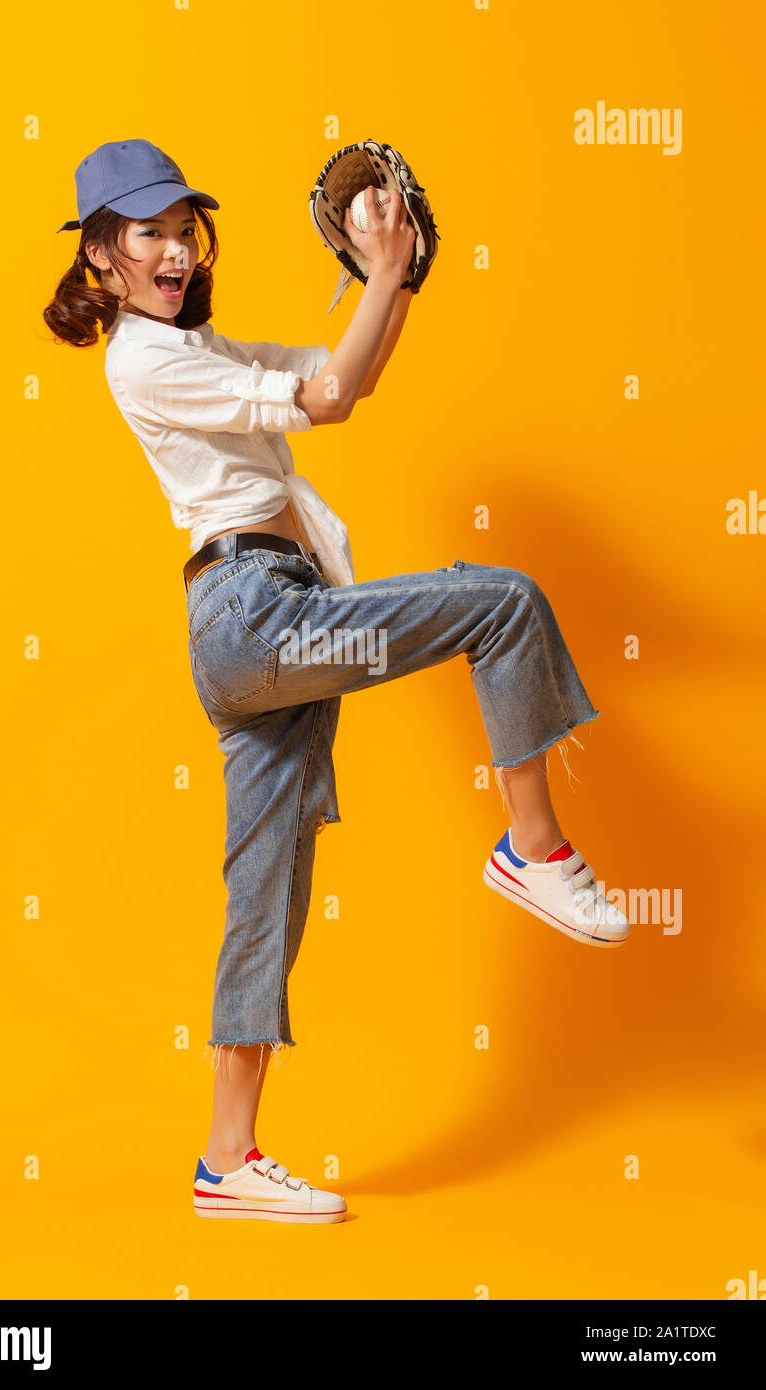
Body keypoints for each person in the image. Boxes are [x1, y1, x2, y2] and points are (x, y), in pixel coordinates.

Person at [44, 139, 630, 1226]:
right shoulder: (144, 358)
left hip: (262, 632)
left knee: (263, 889)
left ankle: (226, 1161)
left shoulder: (196, 348)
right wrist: (374, 273)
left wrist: (392, 275)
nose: (173, 248)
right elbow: (320, 395)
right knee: (499, 600)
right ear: (101, 258)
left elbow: (344, 383)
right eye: (146, 234)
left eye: (183, 229)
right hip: (259, 618)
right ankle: (531, 847)